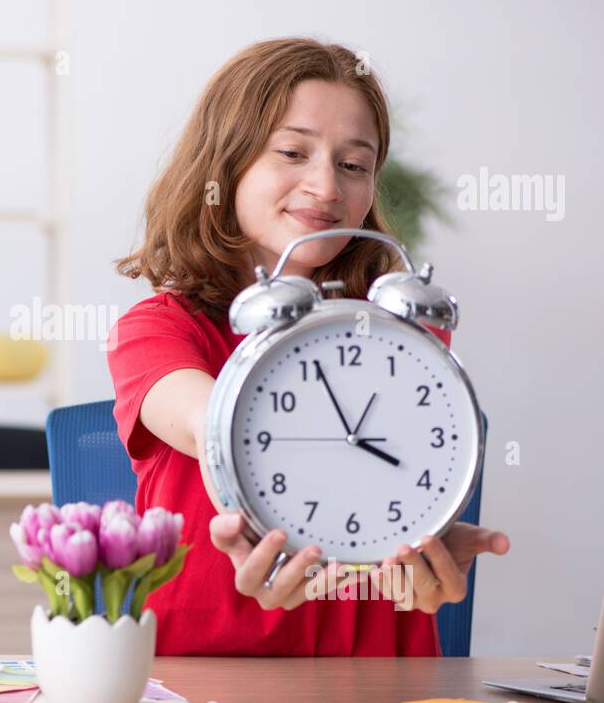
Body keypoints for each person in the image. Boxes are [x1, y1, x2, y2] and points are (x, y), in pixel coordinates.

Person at [107, 38, 510, 656]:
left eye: (354, 165)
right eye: (293, 152)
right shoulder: (158, 330)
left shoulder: (402, 337)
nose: (325, 185)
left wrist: (428, 551)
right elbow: (212, 423)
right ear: (226, 164)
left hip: (379, 693)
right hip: (202, 685)